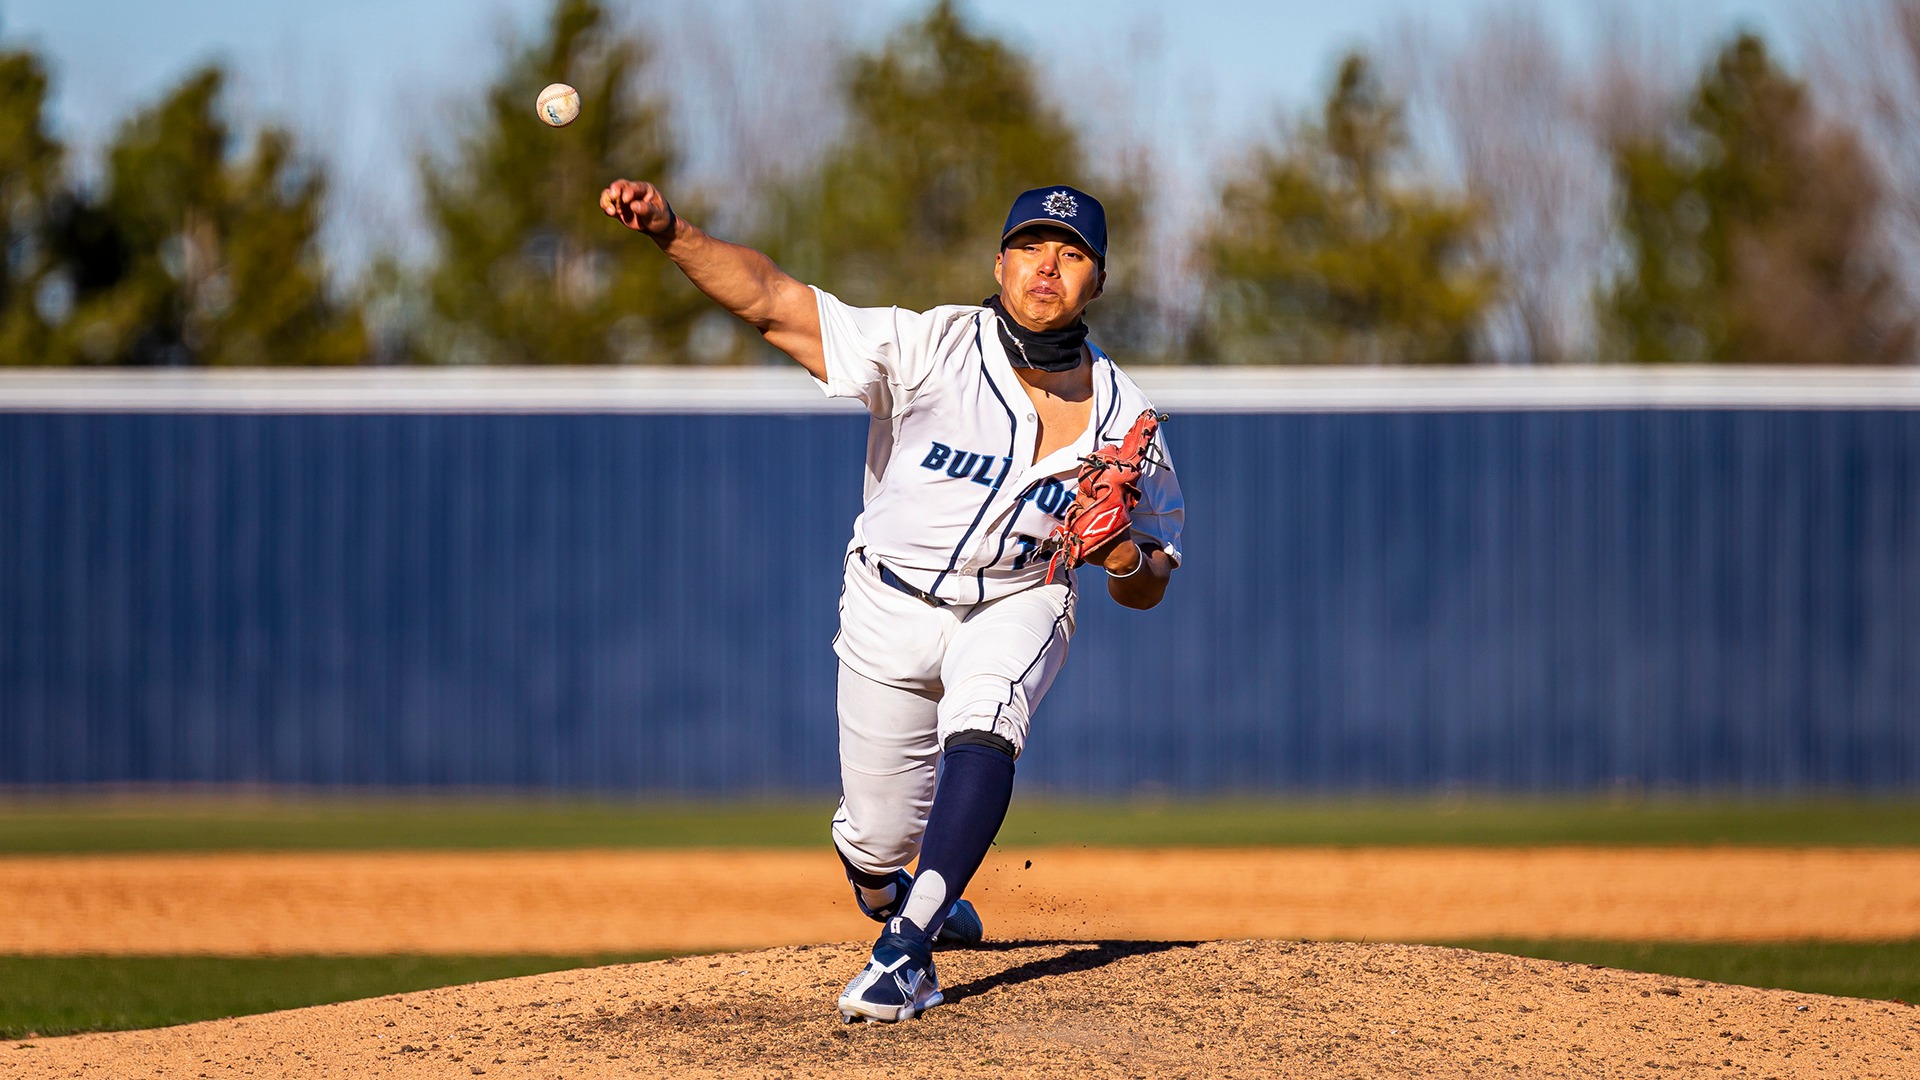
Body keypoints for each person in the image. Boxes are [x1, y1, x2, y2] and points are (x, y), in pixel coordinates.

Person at [599, 178, 1184, 1023]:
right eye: (1029, 247)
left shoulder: (1129, 421)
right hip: (888, 604)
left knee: (990, 715)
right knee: (877, 844)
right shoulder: (932, 345)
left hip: (1020, 598)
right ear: (1000, 262)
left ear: (1097, 280)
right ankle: (892, 893)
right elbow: (773, 303)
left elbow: (1151, 587)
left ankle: (907, 947)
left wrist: (1123, 553)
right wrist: (670, 232)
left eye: (1071, 253)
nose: (1047, 266)